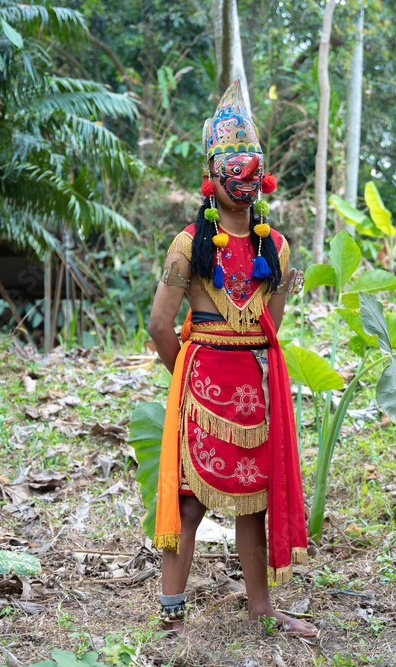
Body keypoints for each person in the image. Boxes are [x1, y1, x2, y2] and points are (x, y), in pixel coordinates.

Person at [146, 80, 316, 637]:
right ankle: (172, 614)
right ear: (212, 176)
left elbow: (274, 323)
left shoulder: (280, 249)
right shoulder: (186, 246)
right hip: (202, 388)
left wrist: (245, 367)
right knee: (191, 503)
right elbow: (159, 325)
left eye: (251, 169)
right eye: (232, 169)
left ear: (262, 175)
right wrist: (187, 378)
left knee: (254, 503)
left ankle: (262, 612)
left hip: (255, 388)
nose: (243, 179)